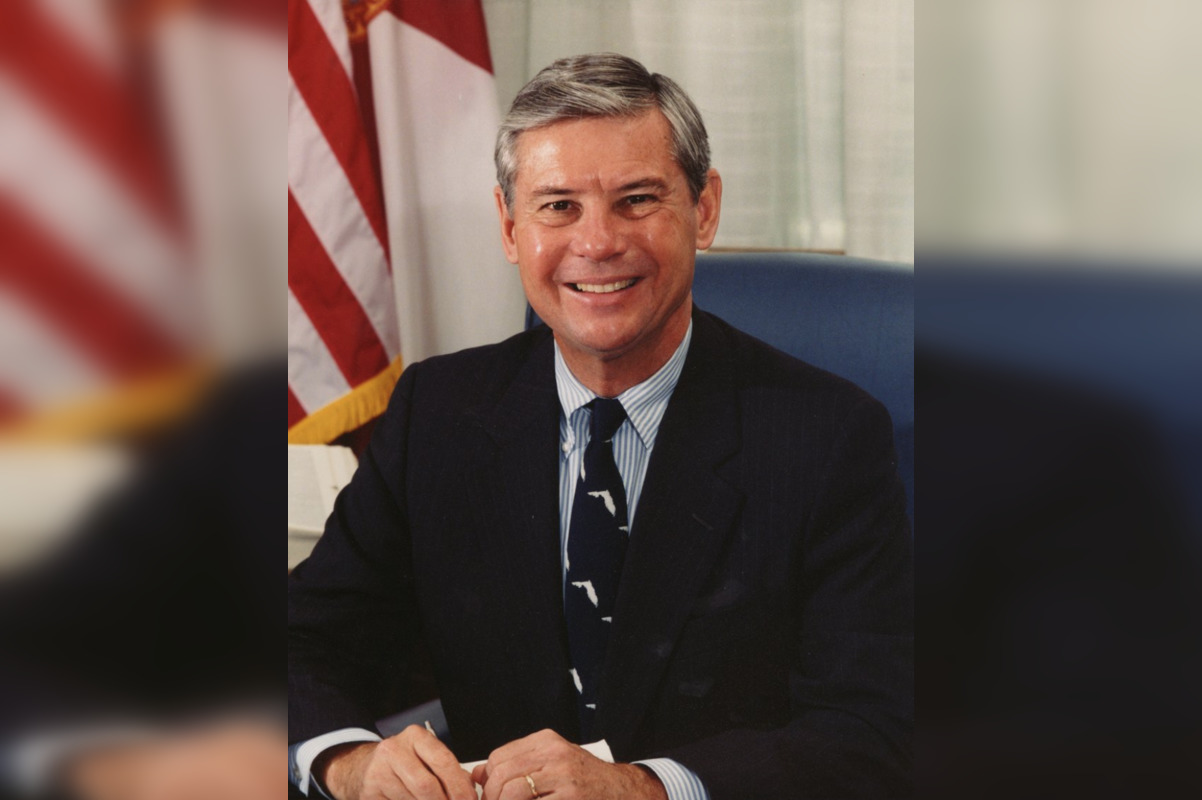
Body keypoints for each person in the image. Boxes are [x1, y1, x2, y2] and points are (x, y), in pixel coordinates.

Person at [288, 53, 912, 800]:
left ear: (704, 209)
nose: (597, 242)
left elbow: (868, 734)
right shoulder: (439, 413)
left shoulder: (830, 436)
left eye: (637, 200)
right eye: (557, 206)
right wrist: (348, 763)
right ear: (509, 226)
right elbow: (304, 643)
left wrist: (644, 789)